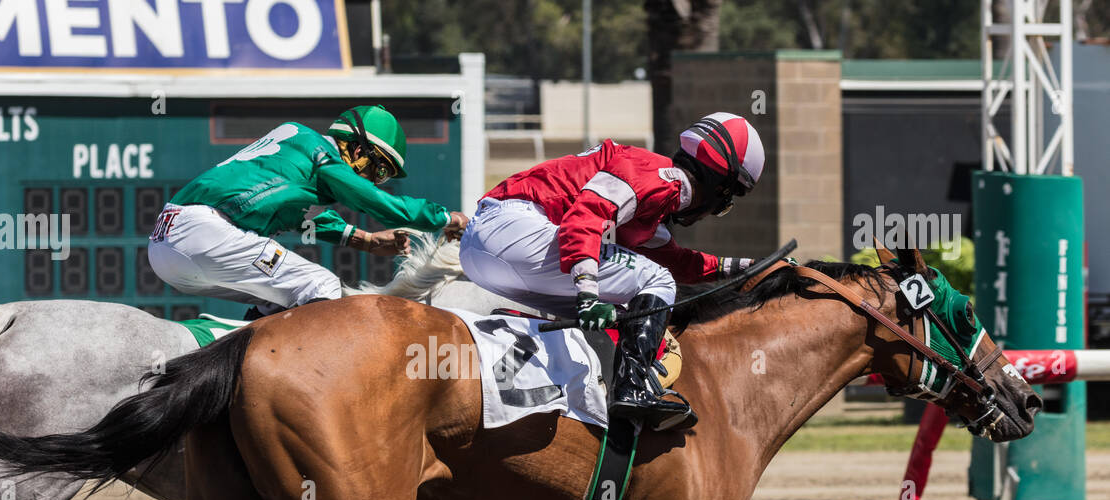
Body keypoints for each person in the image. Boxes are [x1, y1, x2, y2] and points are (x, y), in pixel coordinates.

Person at [458, 112, 764, 430]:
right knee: (657, 281)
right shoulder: (658, 179)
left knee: (626, 307)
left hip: (485, 248)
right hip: (511, 231)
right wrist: (587, 291)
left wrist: (746, 269)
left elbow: (677, 260)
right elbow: (584, 219)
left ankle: (572, 403)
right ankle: (632, 390)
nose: (712, 214)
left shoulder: (656, 189)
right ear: (717, 185)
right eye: (724, 203)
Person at [148, 105, 468, 317]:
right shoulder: (323, 155)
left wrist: (365, 241)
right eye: (380, 170)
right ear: (358, 149)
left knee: (276, 304)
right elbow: (379, 203)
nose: (377, 181)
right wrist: (446, 218)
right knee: (322, 286)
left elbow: (300, 215)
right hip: (203, 235)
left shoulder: (298, 150)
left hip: (165, 245)